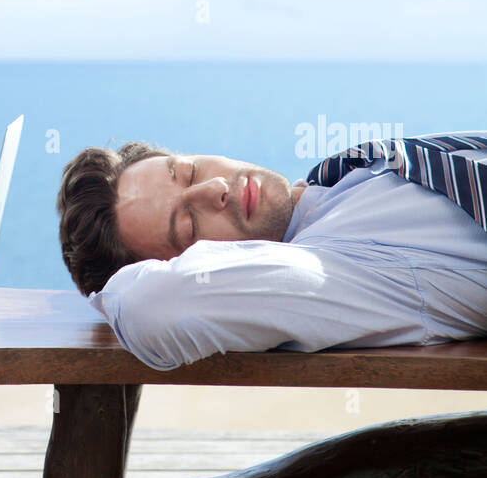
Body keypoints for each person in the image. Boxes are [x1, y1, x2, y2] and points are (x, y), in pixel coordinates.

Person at [56, 137, 487, 370]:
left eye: (189, 171)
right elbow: (155, 304)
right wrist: (107, 290)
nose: (216, 189)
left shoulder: (336, 182)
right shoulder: (333, 270)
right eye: (188, 225)